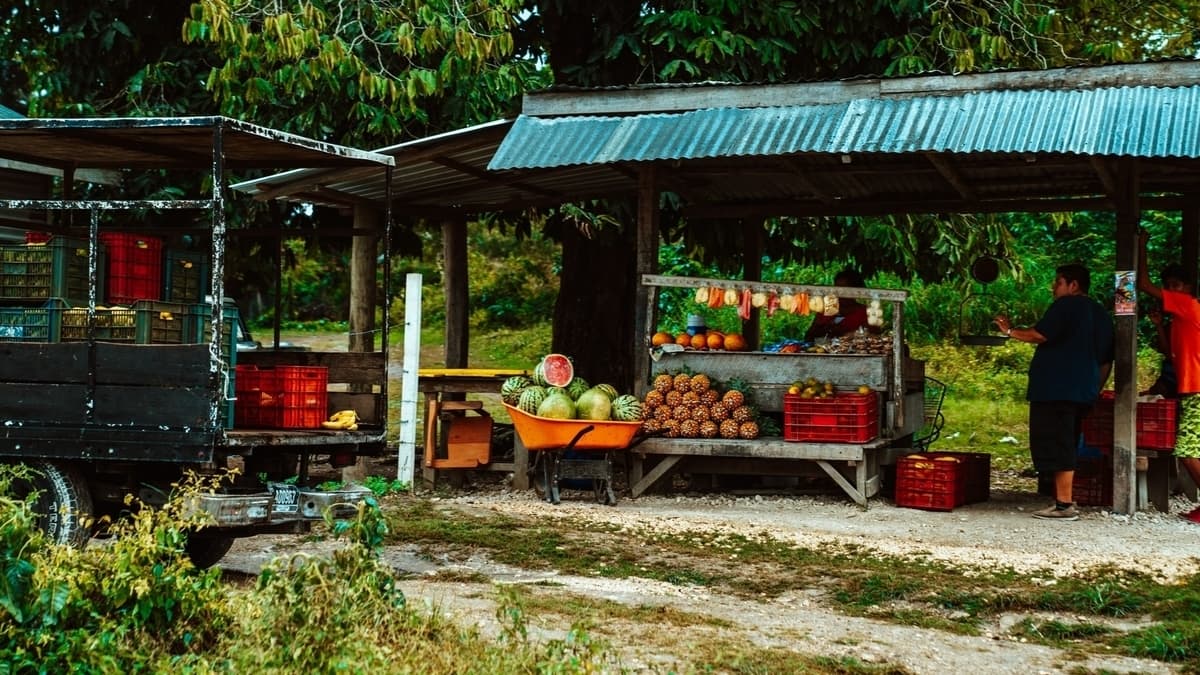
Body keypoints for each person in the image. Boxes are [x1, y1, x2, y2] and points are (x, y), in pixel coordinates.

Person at [994, 264, 1114, 521]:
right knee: (1068, 441)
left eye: (1058, 282)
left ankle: (1064, 503)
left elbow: (1039, 335)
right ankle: (1062, 500)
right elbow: (1106, 360)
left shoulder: (1067, 305)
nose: (1053, 288)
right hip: (1081, 389)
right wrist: (1094, 388)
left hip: (1056, 389)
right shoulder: (1100, 313)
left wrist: (1008, 331)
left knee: (1058, 445)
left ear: (1073, 285)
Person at [1136, 233, 1200, 523]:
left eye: (1176, 286)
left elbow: (1143, 285)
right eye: (1169, 286)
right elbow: (1168, 353)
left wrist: (1140, 246)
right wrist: (1160, 326)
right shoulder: (1180, 318)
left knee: (1187, 451)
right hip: (1189, 389)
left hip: (1197, 389)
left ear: (1187, 288)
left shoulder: (1188, 305)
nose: (1171, 290)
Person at [804, 268, 871, 341]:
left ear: (855, 291)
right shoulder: (827, 309)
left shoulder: (865, 313)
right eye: (837, 288)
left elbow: (872, 337)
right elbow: (809, 337)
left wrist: (853, 335)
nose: (840, 292)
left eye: (845, 289)